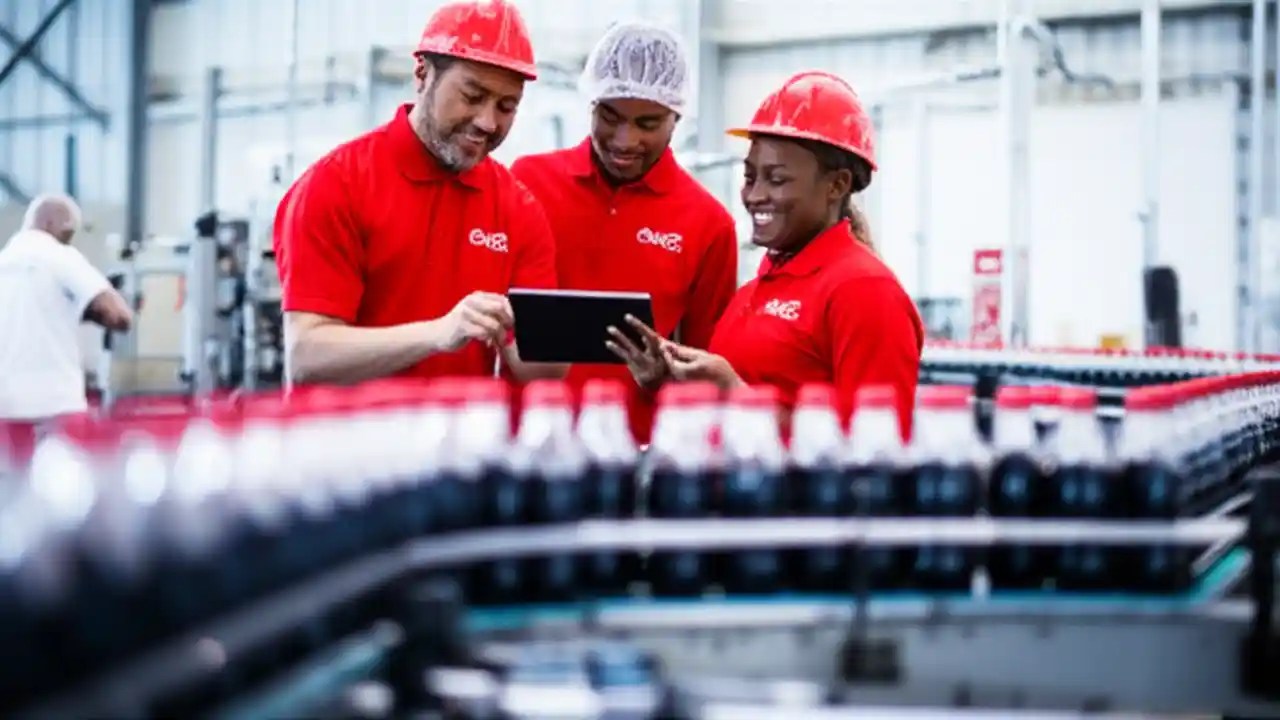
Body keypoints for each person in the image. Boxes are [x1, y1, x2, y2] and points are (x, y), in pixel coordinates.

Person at [613, 71, 923, 437]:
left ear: (837, 185)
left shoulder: (864, 291)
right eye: (749, 177)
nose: (755, 195)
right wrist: (670, 383)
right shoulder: (759, 287)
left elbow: (878, 444)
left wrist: (735, 393)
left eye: (776, 179)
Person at [273, 0, 565, 387]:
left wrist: (548, 338)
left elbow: (543, 371)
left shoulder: (518, 208)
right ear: (423, 73)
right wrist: (438, 334)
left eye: (506, 107)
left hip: (469, 427)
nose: (487, 121)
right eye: (472, 96)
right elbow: (306, 356)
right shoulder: (336, 185)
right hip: (355, 426)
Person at [511, 21, 738, 441]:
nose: (624, 140)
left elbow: (706, 372)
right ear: (591, 104)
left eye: (647, 124)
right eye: (609, 116)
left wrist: (663, 377)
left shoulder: (708, 223)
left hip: (636, 447)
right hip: (525, 441)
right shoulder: (528, 182)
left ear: (676, 117)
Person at [0, 194, 132, 428]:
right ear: (49, 223)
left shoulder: (4, 261)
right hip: (56, 405)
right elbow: (119, 316)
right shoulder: (59, 254)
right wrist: (87, 310)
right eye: (68, 233)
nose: (69, 240)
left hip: (6, 408)